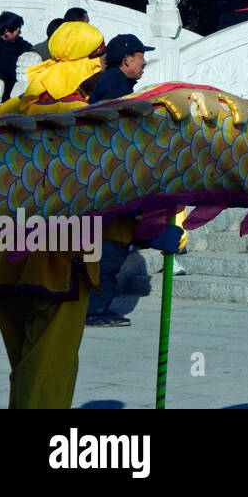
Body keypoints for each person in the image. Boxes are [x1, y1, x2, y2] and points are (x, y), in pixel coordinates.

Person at [0, 22, 105, 406]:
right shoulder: (87, 121)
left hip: (6, 253)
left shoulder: (13, 108)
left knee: (24, 365)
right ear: (91, 63)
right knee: (48, 371)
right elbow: (105, 191)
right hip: (62, 258)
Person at [81, 34, 160, 326]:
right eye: (141, 56)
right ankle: (94, 310)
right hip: (110, 182)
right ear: (127, 60)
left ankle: (92, 307)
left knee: (107, 248)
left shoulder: (114, 82)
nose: (144, 62)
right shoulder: (115, 86)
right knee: (109, 248)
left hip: (108, 179)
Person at [0, 11, 32, 102]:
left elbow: (32, 50)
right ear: (7, 32)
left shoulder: (19, 43)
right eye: (18, 31)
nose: (19, 33)